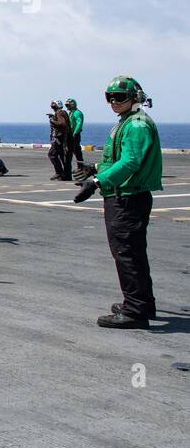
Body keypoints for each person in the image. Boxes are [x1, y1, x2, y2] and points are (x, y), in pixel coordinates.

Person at [73, 77, 162, 329]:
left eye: (119, 97)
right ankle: (142, 302)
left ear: (134, 97)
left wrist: (98, 181)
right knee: (132, 251)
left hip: (127, 197)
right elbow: (122, 157)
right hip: (126, 195)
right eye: (109, 97)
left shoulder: (136, 125)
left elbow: (131, 162)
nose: (113, 101)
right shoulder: (129, 122)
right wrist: (96, 167)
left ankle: (135, 311)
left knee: (126, 252)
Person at [47, 100, 72, 180]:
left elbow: (62, 123)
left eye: (53, 104)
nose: (52, 105)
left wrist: (52, 120)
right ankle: (66, 176)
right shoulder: (61, 112)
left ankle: (59, 172)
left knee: (52, 154)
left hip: (60, 138)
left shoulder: (59, 113)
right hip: (65, 138)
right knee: (63, 156)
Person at [66, 98, 86, 176]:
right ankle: (80, 167)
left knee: (76, 151)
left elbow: (79, 123)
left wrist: (74, 133)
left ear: (72, 104)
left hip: (75, 135)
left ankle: (81, 167)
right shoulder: (71, 113)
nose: (67, 106)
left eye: (68, 105)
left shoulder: (77, 113)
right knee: (75, 151)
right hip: (71, 134)